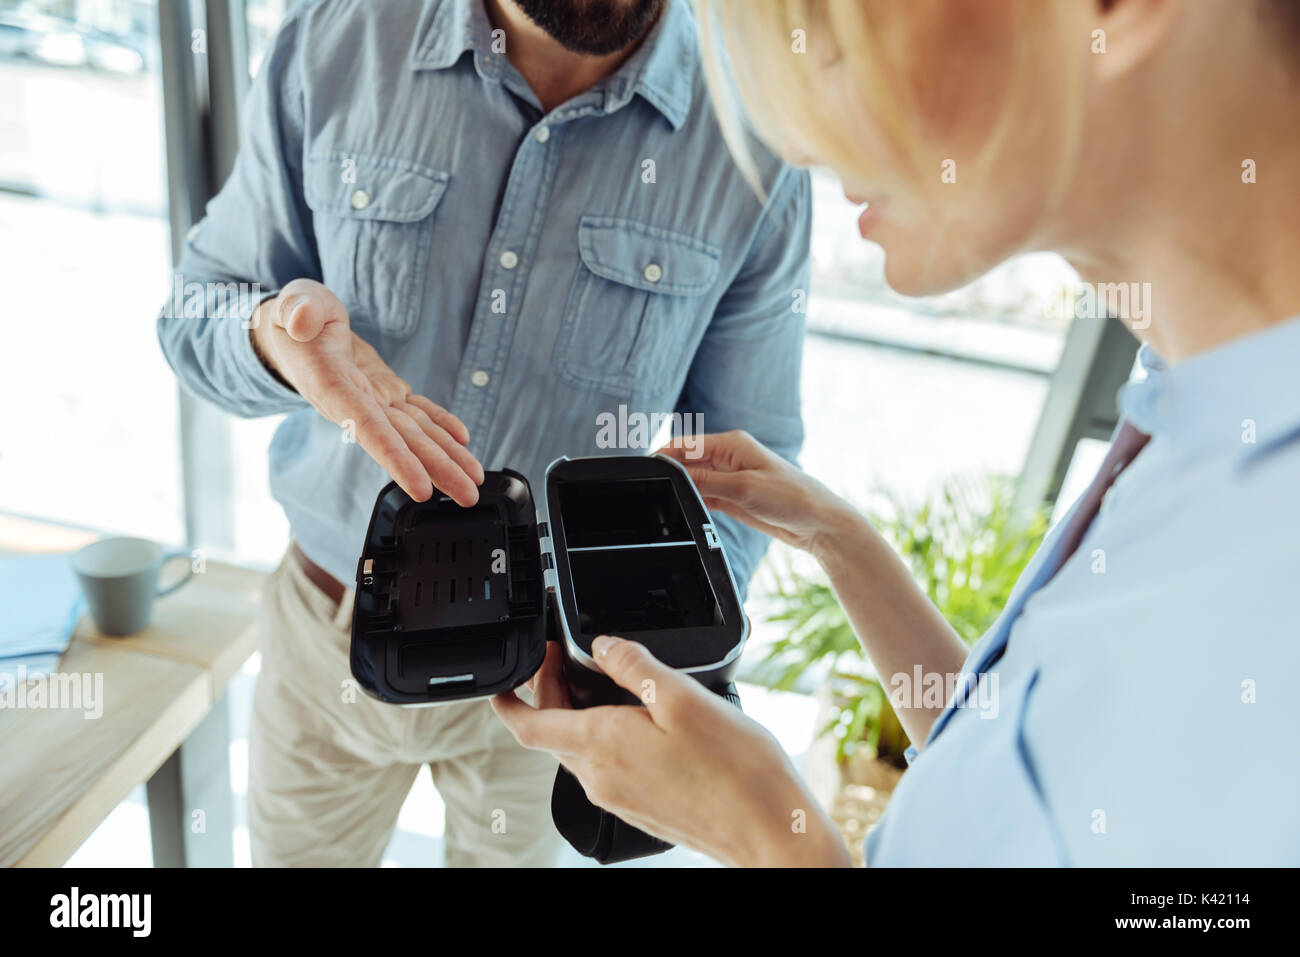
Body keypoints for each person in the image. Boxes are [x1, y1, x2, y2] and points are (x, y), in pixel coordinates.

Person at [492, 0, 1300, 865]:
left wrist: (768, 835)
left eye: (839, 43)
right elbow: (1012, 792)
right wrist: (837, 541)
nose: (797, 143)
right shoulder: (1184, 403)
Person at [156, 0, 810, 867]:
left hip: (555, 674)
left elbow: (742, 458)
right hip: (329, 639)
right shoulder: (338, 38)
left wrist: (651, 645)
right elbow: (196, 309)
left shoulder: (756, 142)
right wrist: (271, 335)